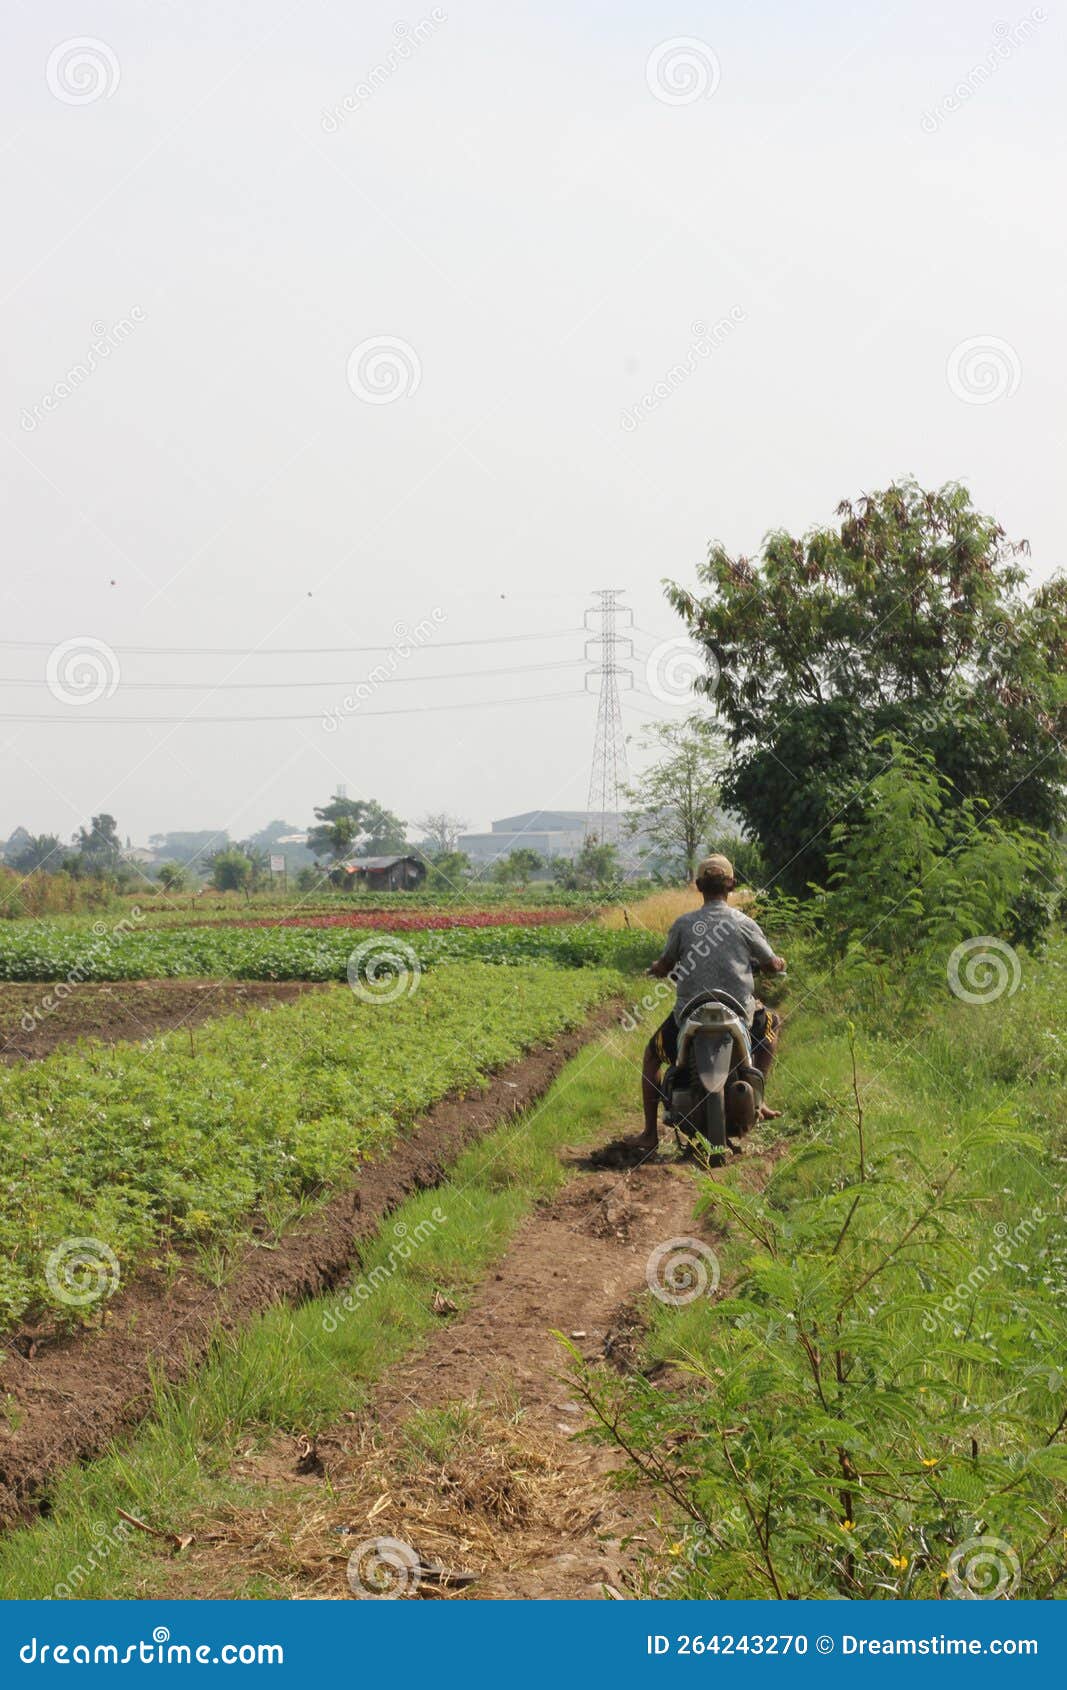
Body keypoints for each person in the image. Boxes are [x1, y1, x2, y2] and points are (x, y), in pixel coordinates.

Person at [633, 854, 786, 1154]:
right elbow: (770, 963)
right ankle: (761, 1097)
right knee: (773, 1023)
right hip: (740, 1012)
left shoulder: (683, 924)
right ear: (731, 885)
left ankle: (650, 1134)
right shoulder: (745, 923)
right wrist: (778, 963)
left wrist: (656, 968)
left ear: (699, 886)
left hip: (688, 1014)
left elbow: (665, 964)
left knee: (653, 1056)